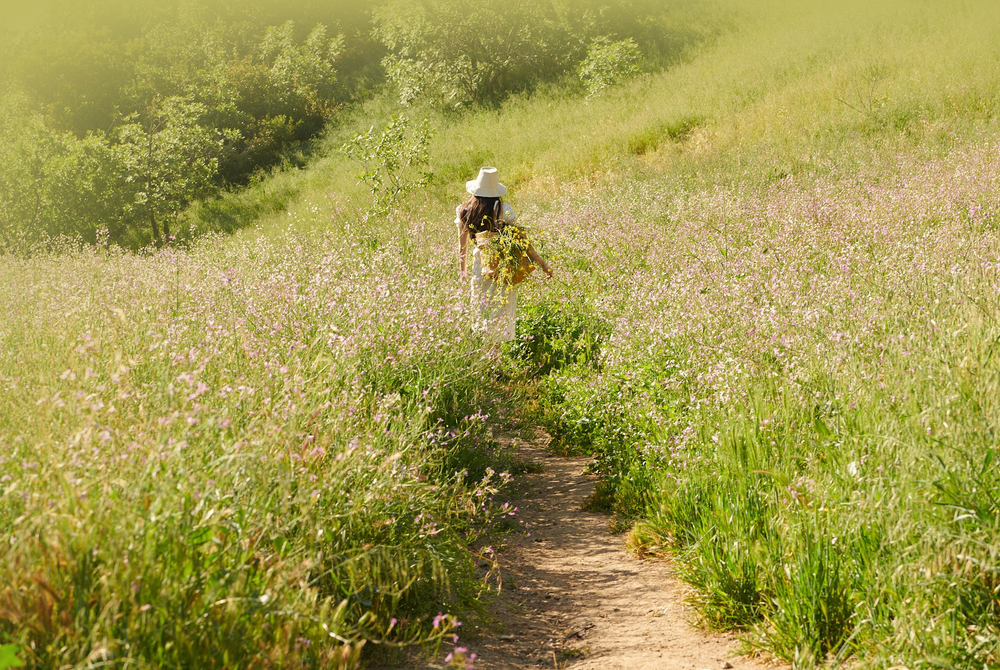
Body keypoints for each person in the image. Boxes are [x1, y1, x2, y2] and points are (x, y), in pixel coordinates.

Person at [456, 167, 553, 341]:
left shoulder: (465, 210)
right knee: (500, 308)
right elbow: (522, 241)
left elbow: (462, 246)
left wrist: (463, 272)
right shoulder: (502, 208)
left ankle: (484, 351)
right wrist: (542, 264)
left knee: (481, 306)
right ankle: (495, 354)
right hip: (502, 262)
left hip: (480, 262)